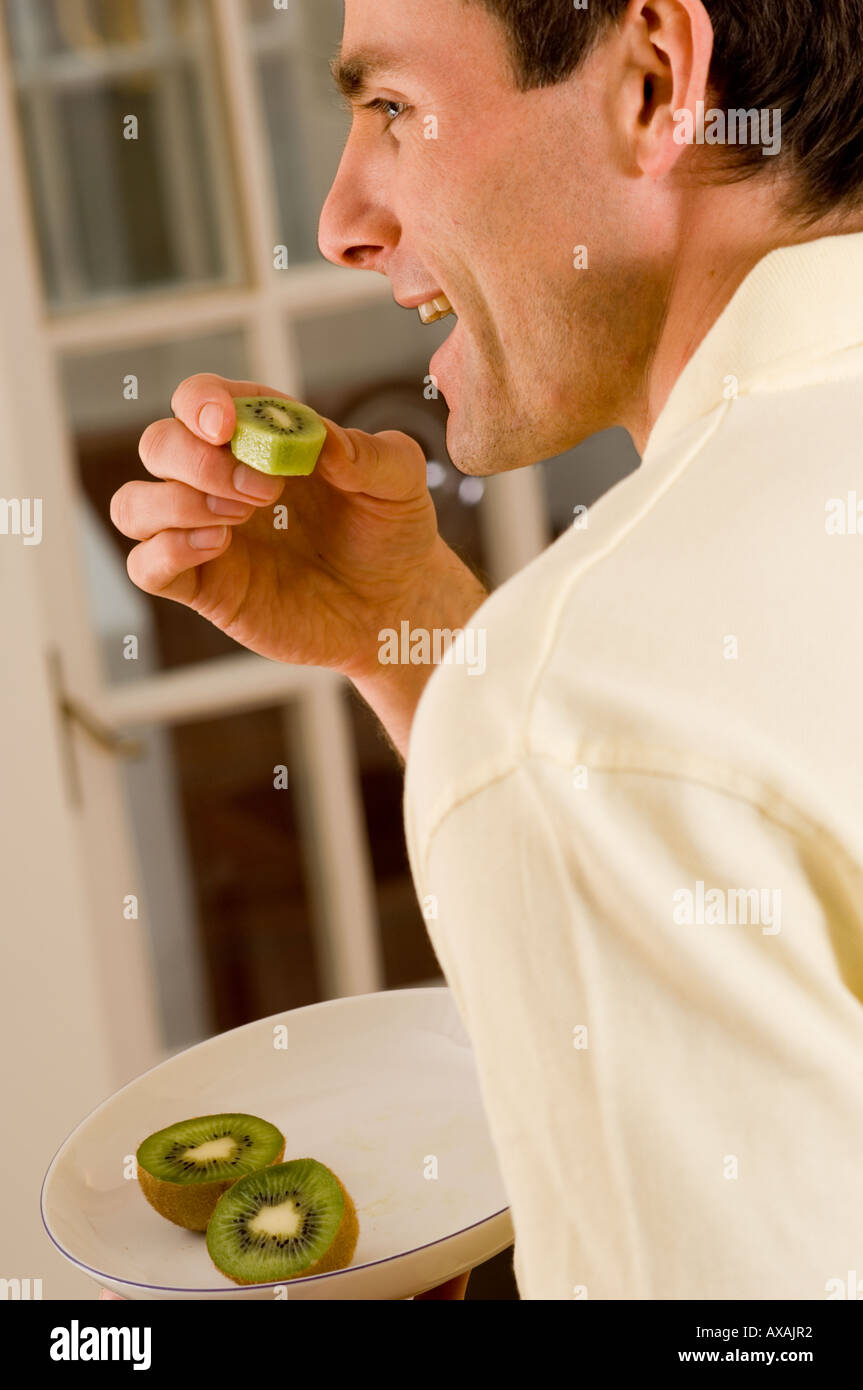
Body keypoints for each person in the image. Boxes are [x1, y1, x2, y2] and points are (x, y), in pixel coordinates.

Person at [111, 0, 863, 1299]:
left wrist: (519, 710)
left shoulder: (575, 714)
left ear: (651, 82)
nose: (341, 221)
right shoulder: (592, 704)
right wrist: (422, 646)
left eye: (395, 107)